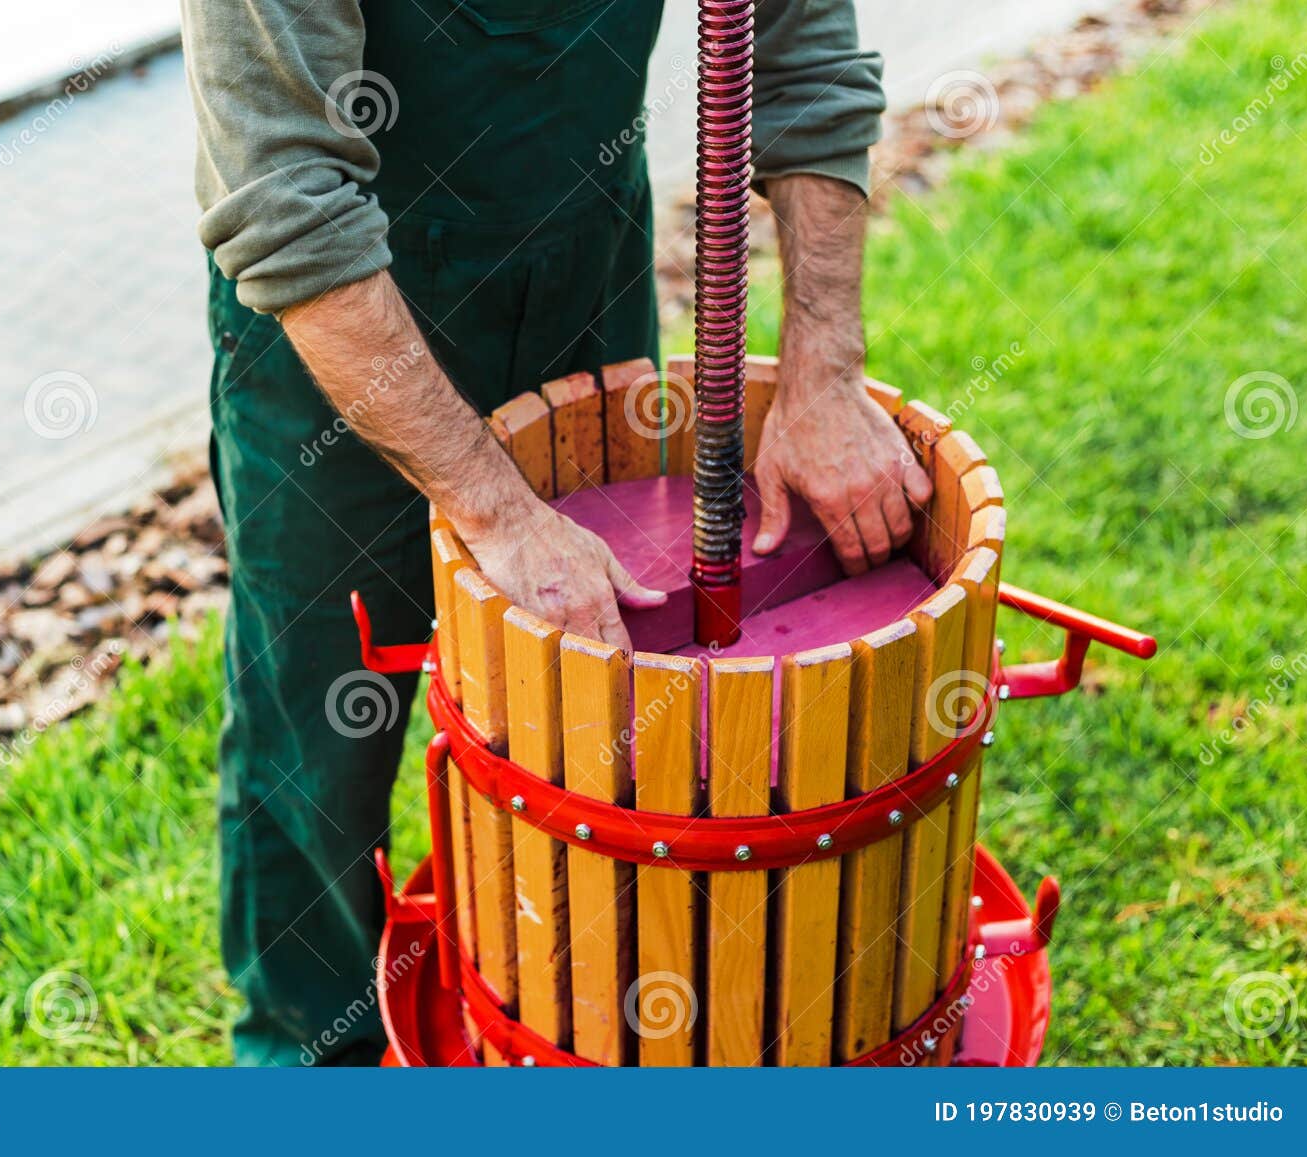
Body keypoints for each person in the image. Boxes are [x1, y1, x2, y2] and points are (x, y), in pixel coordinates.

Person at [179, 0, 931, 1065]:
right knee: (319, 724)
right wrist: (495, 510)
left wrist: (823, 367)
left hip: (585, 274)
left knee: (604, 713)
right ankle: (311, 1059)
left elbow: (802, 47)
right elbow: (285, 201)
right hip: (340, 335)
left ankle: (594, 1021)